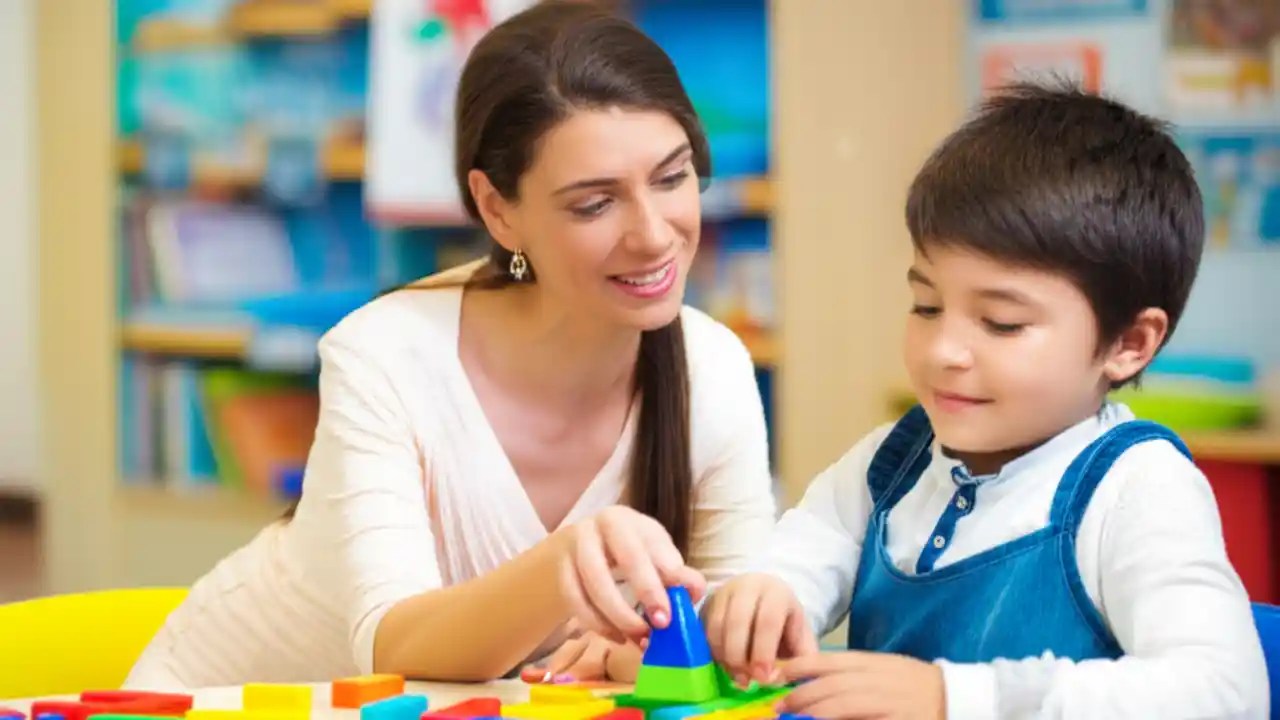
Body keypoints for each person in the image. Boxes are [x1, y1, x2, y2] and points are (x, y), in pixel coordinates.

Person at [125, 0, 775, 689]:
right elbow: (394, 648)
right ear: (497, 210)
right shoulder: (385, 355)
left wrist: (643, 652)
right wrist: (563, 565)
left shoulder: (712, 368)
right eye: (594, 203)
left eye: (672, 179)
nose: (654, 233)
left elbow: (732, 641)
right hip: (219, 699)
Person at [691, 83, 1270, 719]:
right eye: (927, 306)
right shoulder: (889, 463)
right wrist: (762, 600)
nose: (944, 350)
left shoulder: (1138, 489)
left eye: (1000, 323)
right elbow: (796, 564)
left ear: (1129, 343)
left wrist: (954, 698)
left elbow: (1225, 693)